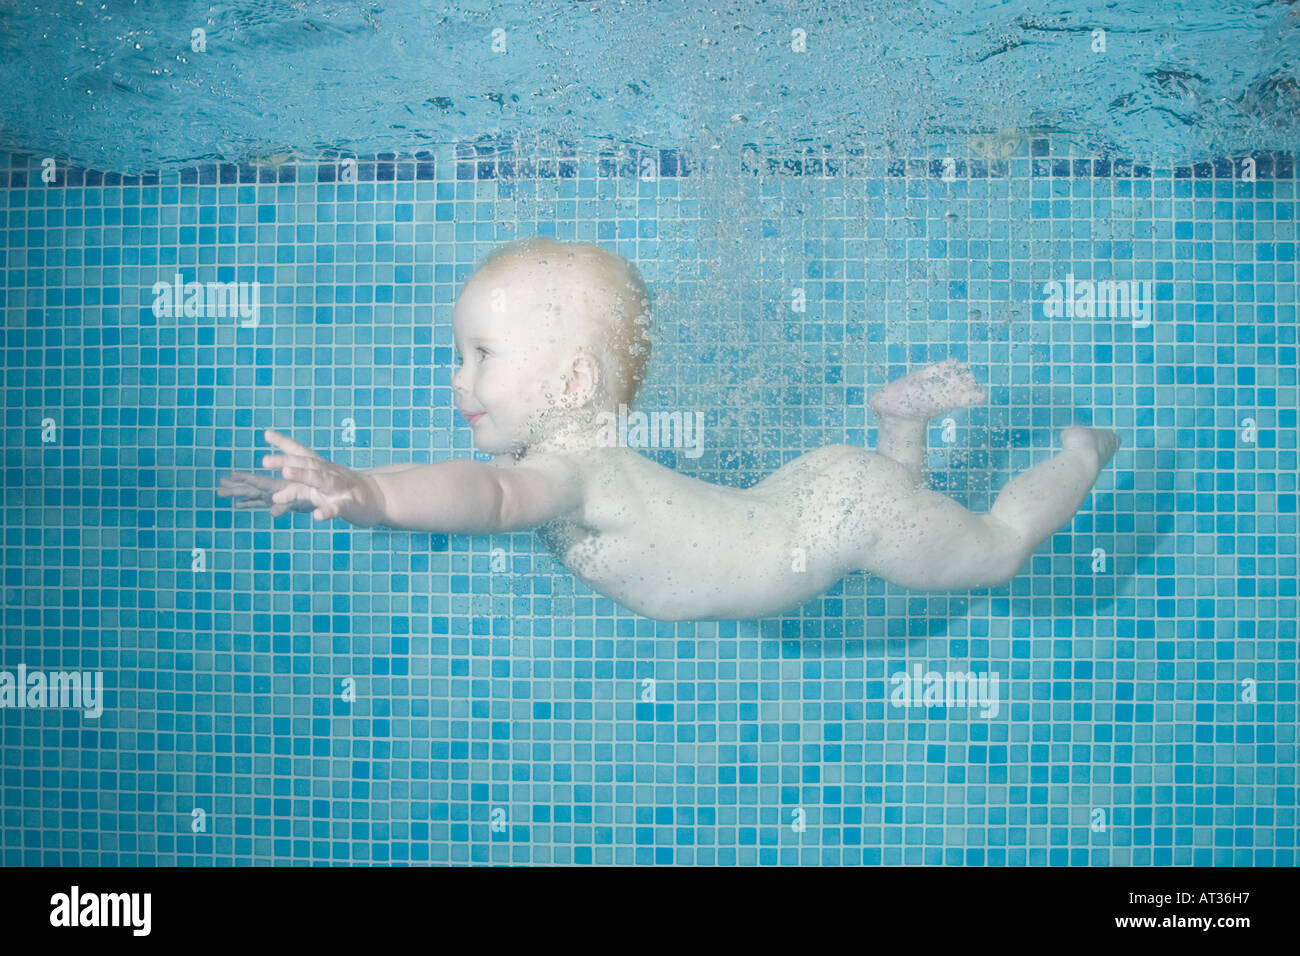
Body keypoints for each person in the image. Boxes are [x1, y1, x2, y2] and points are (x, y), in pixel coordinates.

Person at [218, 237, 1120, 622]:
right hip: (809, 499)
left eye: (479, 354)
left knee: (999, 549)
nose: (457, 378)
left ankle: (1082, 457)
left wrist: (369, 492)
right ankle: (895, 429)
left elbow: (485, 495)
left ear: (573, 382)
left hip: (832, 517)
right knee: (894, 497)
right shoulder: (571, 457)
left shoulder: (568, 471)